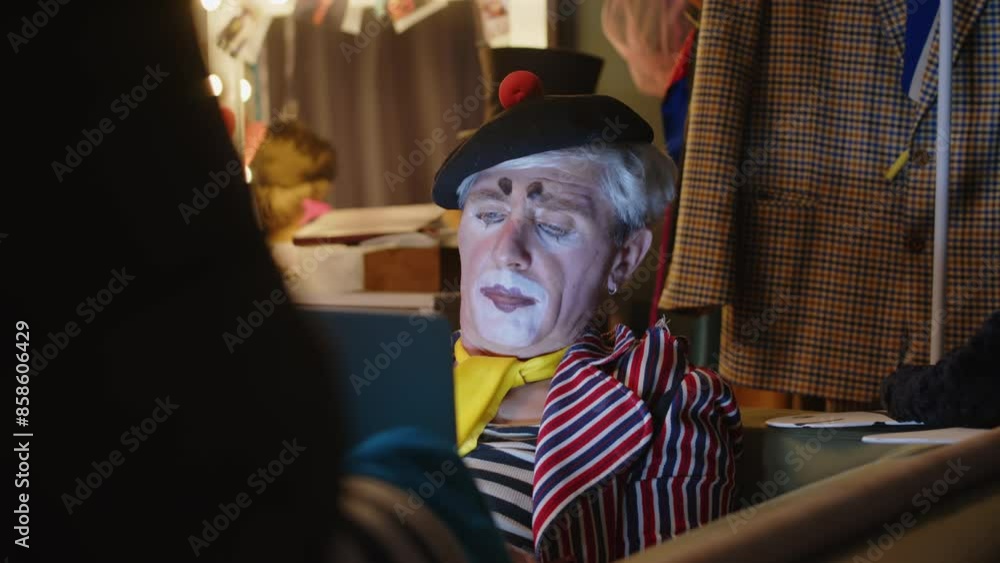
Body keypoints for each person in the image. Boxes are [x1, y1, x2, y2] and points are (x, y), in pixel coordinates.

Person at [432, 71, 743, 562]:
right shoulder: (393, 377)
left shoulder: (661, 399)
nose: (508, 251)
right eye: (489, 215)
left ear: (623, 258)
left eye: (553, 225)